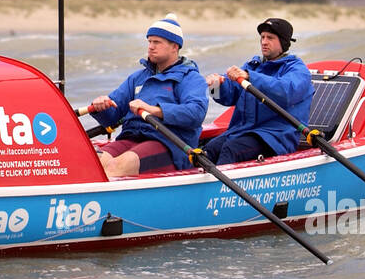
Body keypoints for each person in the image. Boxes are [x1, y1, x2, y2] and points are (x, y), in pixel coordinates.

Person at [86, 13, 208, 178]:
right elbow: (112, 117)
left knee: (119, 166)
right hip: (133, 137)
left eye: (157, 42)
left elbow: (196, 113)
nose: (150, 46)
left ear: (175, 47)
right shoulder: (138, 78)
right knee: (93, 162)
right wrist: (100, 107)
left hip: (170, 144)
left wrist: (154, 110)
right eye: (149, 41)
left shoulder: (191, 78)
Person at [203, 17, 314, 165]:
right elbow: (229, 96)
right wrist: (216, 86)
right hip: (246, 131)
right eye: (262, 37)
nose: (264, 42)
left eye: (270, 38)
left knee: (231, 149)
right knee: (208, 150)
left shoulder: (298, 70)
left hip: (276, 137)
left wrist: (250, 77)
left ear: (283, 43)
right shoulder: (253, 66)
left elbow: (285, 92)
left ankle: (219, 188)